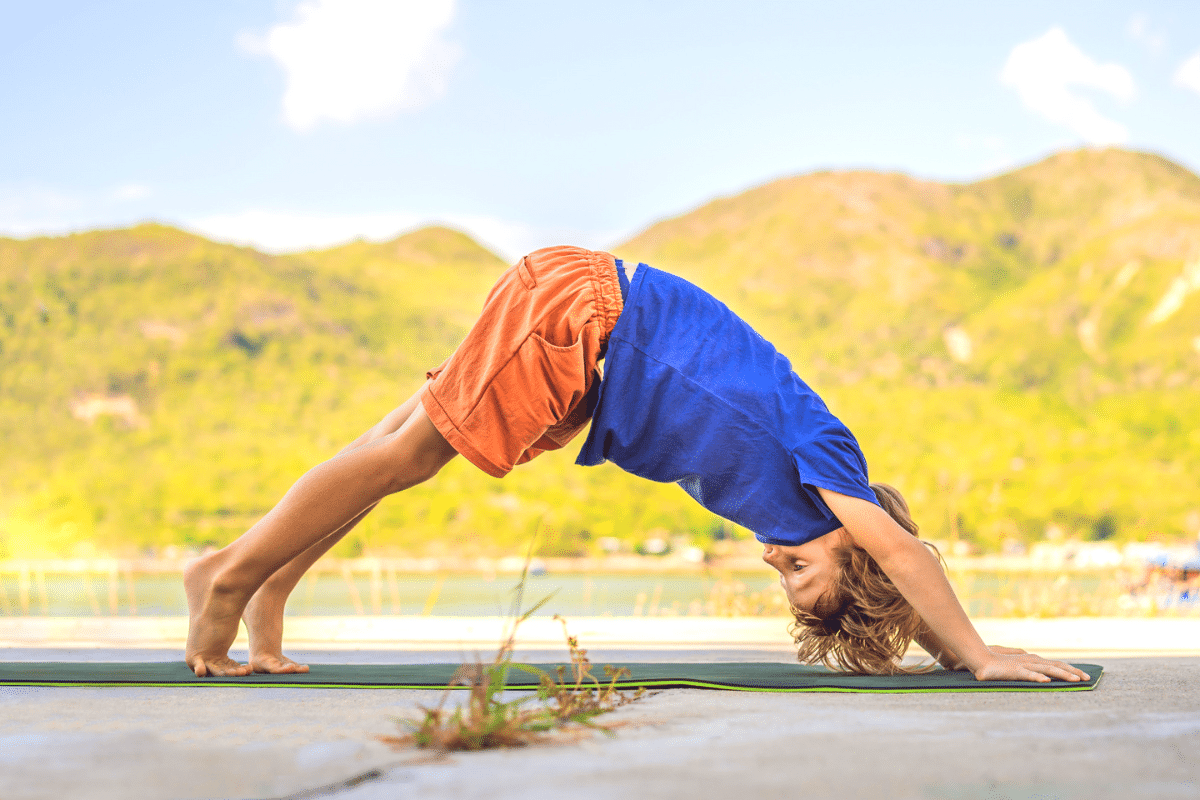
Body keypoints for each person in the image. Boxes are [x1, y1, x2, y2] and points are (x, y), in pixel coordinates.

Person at [184, 246, 1087, 684]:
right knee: (408, 456)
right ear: (851, 542)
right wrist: (978, 654)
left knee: (399, 448)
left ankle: (267, 586)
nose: (779, 563)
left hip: (588, 350)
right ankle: (228, 579)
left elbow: (887, 585)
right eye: (803, 569)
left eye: (786, 581)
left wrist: (941, 652)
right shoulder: (830, 468)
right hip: (590, 320)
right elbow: (902, 560)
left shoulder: (803, 513)